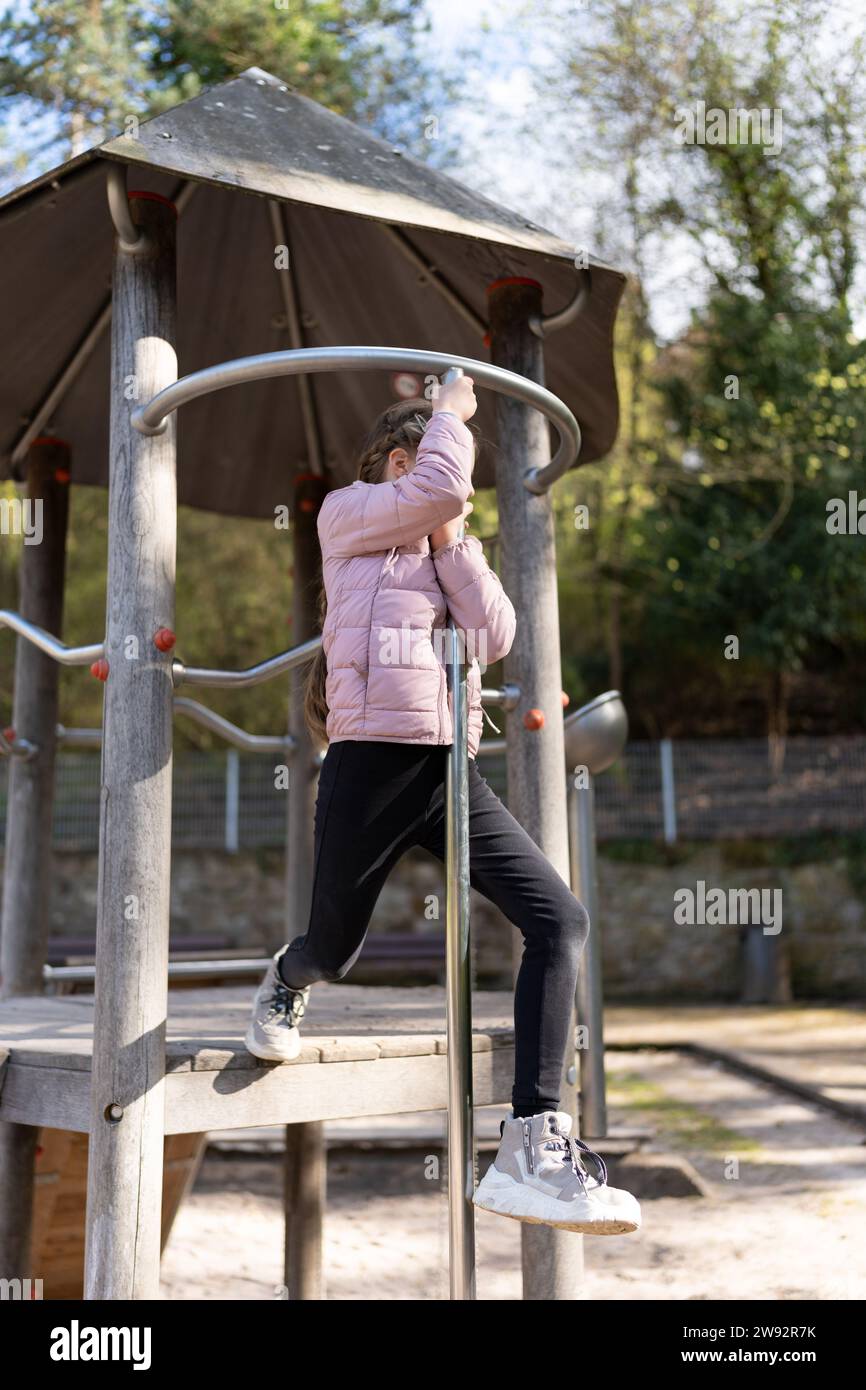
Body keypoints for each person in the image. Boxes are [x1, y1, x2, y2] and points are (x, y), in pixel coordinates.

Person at [244, 375, 640, 1234]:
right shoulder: (345, 516)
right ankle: (285, 979)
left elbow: (494, 637)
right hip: (366, 766)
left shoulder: (444, 542)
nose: (445, 493)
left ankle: (531, 1140)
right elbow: (442, 484)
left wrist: (457, 540)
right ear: (397, 462)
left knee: (559, 919)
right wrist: (454, 417)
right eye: (428, 460)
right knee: (333, 951)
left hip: (451, 771)